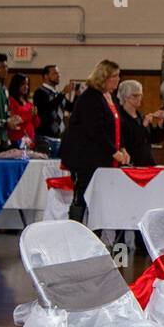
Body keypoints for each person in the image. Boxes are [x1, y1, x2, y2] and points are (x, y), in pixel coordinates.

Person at [59, 60, 131, 222]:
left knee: (101, 200)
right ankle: (76, 232)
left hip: (103, 157)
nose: (118, 79)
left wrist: (123, 148)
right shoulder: (90, 98)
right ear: (104, 77)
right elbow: (95, 130)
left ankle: (96, 234)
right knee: (84, 196)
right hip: (86, 158)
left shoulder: (111, 98)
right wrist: (114, 151)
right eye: (115, 76)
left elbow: (117, 126)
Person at [118, 79, 164, 166]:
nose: (139, 98)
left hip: (147, 162)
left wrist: (160, 124)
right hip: (131, 163)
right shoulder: (120, 118)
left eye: (140, 95)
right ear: (125, 97)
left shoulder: (141, 116)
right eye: (135, 95)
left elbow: (155, 139)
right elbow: (131, 141)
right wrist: (143, 126)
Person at [33, 64, 73, 153]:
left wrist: (78, 96)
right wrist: (62, 94)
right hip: (44, 138)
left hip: (58, 138)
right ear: (46, 76)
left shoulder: (57, 93)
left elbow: (71, 108)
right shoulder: (40, 92)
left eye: (58, 73)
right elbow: (46, 108)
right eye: (55, 73)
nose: (58, 76)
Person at [7, 73, 44, 153]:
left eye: (27, 84)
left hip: (29, 140)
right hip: (16, 139)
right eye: (23, 84)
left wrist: (35, 115)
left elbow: (36, 124)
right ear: (16, 85)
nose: (26, 87)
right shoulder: (11, 100)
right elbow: (16, 119)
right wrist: (30, 115)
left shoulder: (29, 103)